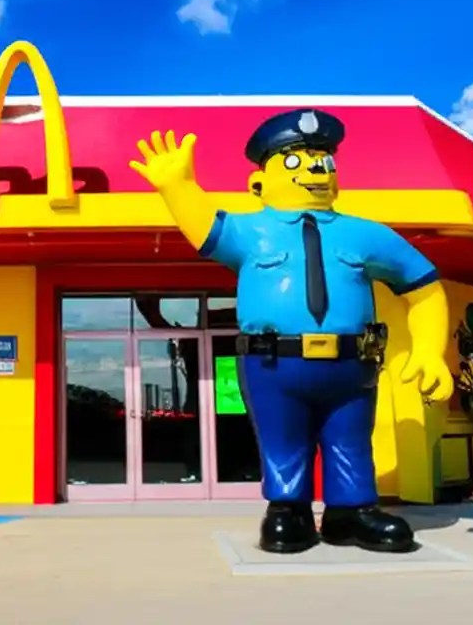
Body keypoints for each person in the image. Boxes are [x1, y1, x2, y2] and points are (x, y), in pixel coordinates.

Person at [129, 109, 454, 554]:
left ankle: (351, 512)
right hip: (272, 362)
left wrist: (430, 351)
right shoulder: (249, 230)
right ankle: (288, 509)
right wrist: (178, 187)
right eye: (297, 163)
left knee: (350, 436)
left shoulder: (366, 235)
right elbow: (204, 230)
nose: (315, 171)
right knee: (283, 437)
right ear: (257, 184)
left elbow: (423, 287)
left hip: (351, 364)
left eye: (323, 162)